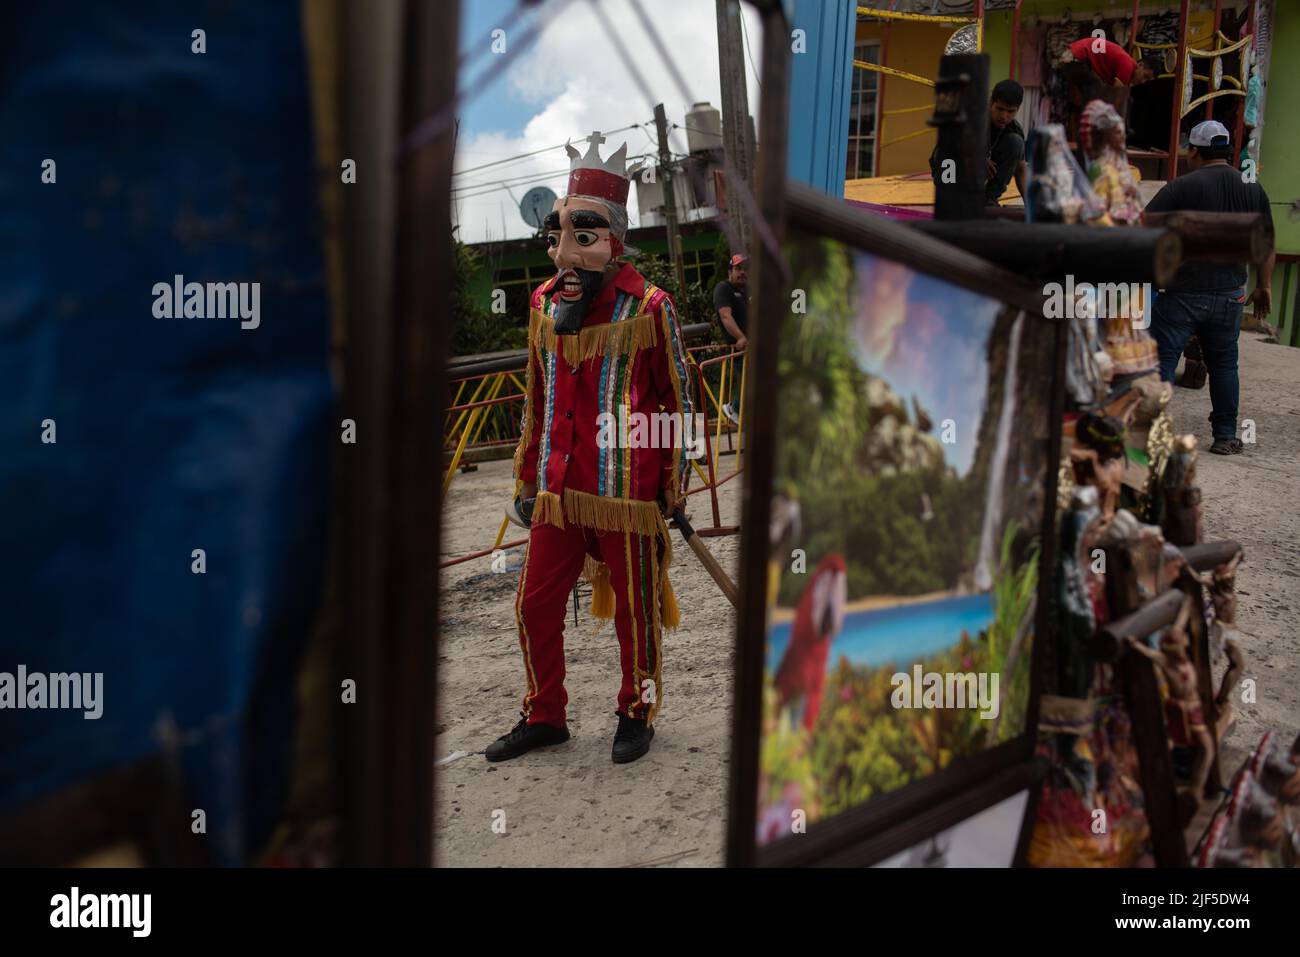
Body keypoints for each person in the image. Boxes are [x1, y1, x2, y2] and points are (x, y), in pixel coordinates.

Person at [492, 131, 694, 764]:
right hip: (557, 489)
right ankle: (546, 714)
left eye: (584, 234)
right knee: (534, 606)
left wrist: (668, 482)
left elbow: (678, 403)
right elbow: (537, 399)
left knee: (636, 610)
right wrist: (527, 481)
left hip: (624, 494)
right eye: (558, 235)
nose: (564, 253)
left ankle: (636, 711)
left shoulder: (650, 307)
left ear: (615, 241)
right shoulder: (544, 306)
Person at [1144, 120, 1275, 455]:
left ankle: (1147, 432)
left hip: (1182, 294)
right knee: (1224, 365)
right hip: (1231, 294)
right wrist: (1264, 287)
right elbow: (1267, 244)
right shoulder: (1252, 187)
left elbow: (1142, 228)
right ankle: (1225, 435)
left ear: (1195, 152)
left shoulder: (1181, 187)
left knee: (1162, 361)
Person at [929, 78, 1026, 205]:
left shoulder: (1014, 128)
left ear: (1017, 109)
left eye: (1010, 111)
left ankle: (988, 200)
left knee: (1016, 142)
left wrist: (1031, 206)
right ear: (991, 102)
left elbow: (1021, 169)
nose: (1004, 116)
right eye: (1000, 109)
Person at [712, 253, 748, 424]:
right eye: (738, 268)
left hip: (752, 346)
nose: (743, 272)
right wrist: (741, 337)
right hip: (739, 348)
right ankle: (734, 407)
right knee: (750, 381)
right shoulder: (723, 288)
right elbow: (725, 316)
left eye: (745, 269)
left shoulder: (745, 291)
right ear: (729, 271)